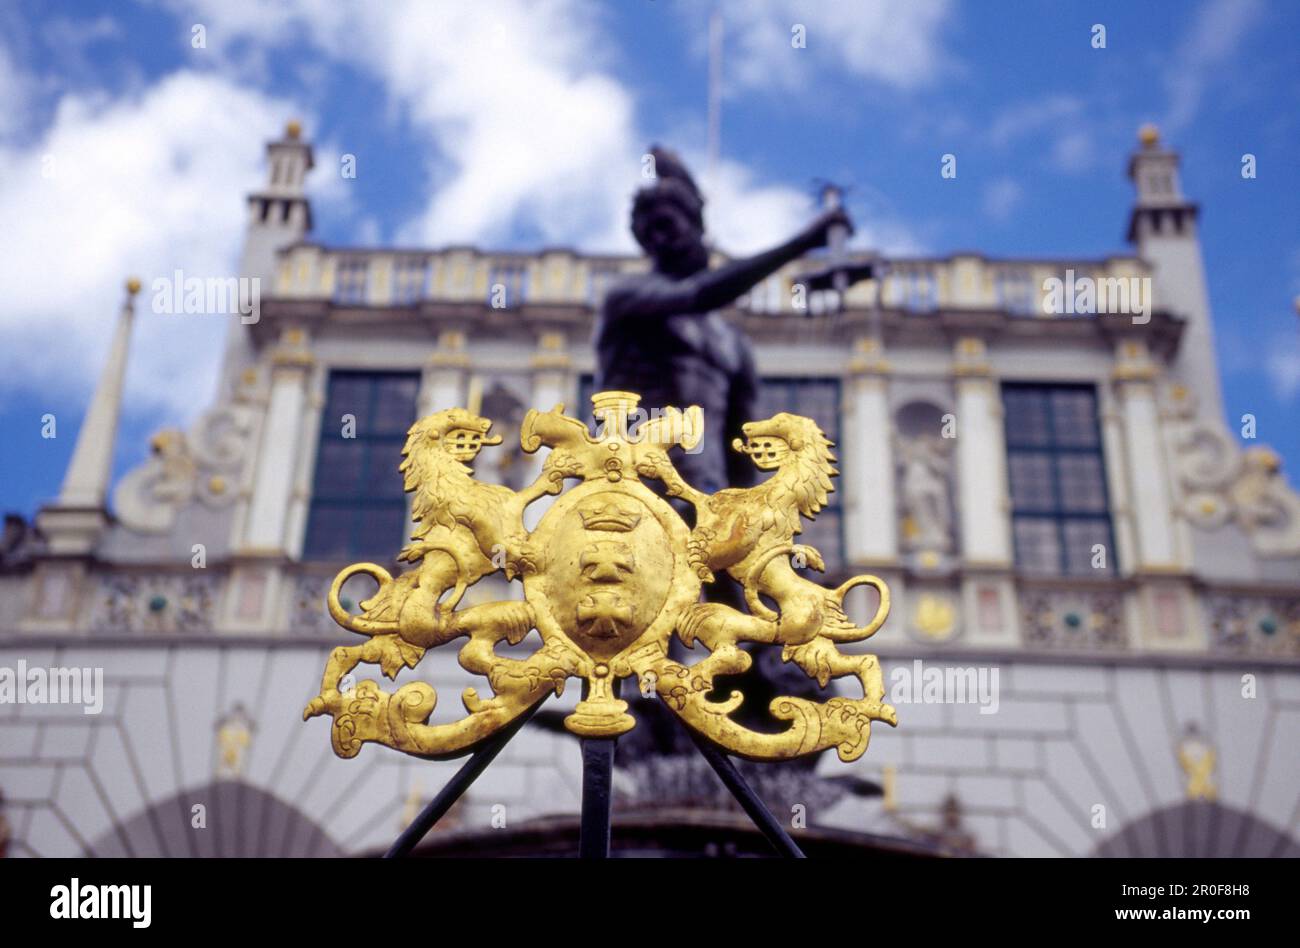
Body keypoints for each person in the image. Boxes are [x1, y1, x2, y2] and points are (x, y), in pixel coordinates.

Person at [595, 145, 853, 493]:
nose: (660, 238)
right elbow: (699, 294)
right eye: (649, 231)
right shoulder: (626, 296)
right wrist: (802, 243)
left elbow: (740, 441)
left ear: (695, 227)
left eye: (667, 225)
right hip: (627, 484)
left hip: (704, 493)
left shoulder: (731, 343)